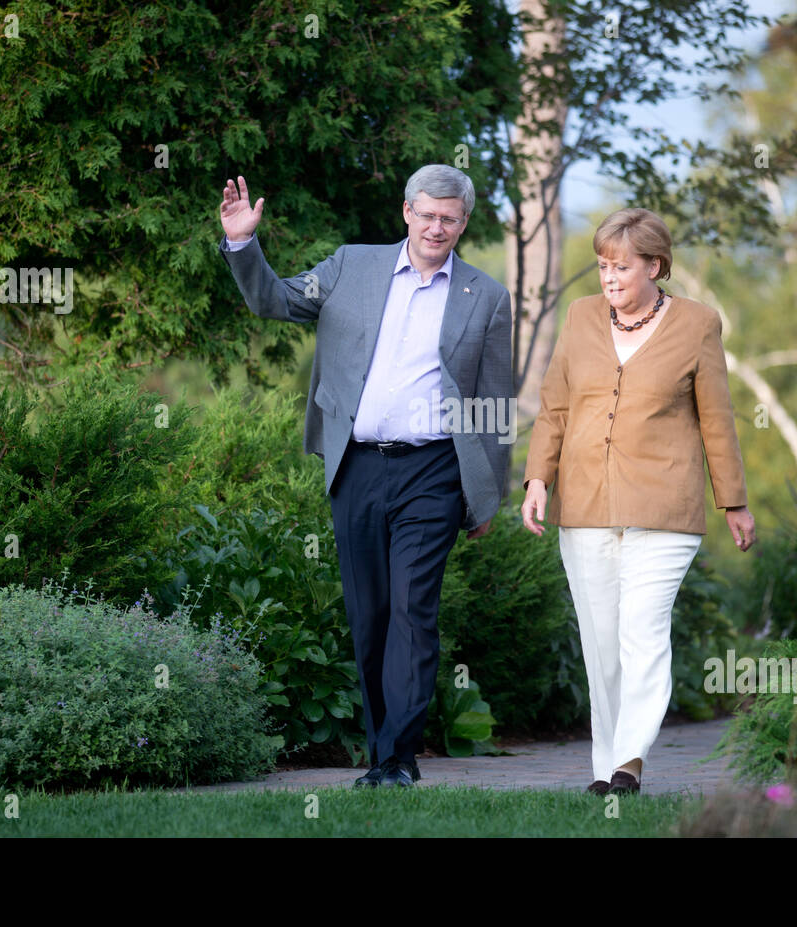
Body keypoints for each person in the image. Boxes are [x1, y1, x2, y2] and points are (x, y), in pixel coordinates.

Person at [218, 165, 514, 788]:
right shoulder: (351, 266)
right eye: (427, 215)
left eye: (450, 219)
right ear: (406, 211)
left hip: (434, 471)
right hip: (356, 464)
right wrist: (244, 244)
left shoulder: (484, 295)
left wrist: (487, 494)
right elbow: (275, 300)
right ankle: (380, 756)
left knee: (413, 609)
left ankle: (400, 760)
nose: (437, 227)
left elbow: (493, 402)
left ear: (464, 223)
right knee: (370, 613)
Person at [520, 207, 756, 796]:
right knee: (601, 645)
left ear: (655, 265)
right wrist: (537, 479)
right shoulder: (579, 318)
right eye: (603, 265)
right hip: (586, 507)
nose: (609, 277)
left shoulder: (698, 324)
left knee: (642, 633)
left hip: (664, 510)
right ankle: (606, 770)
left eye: (622, 266)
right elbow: (554, 405)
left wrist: (734, 502)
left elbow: (718, 419)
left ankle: (630, 762)